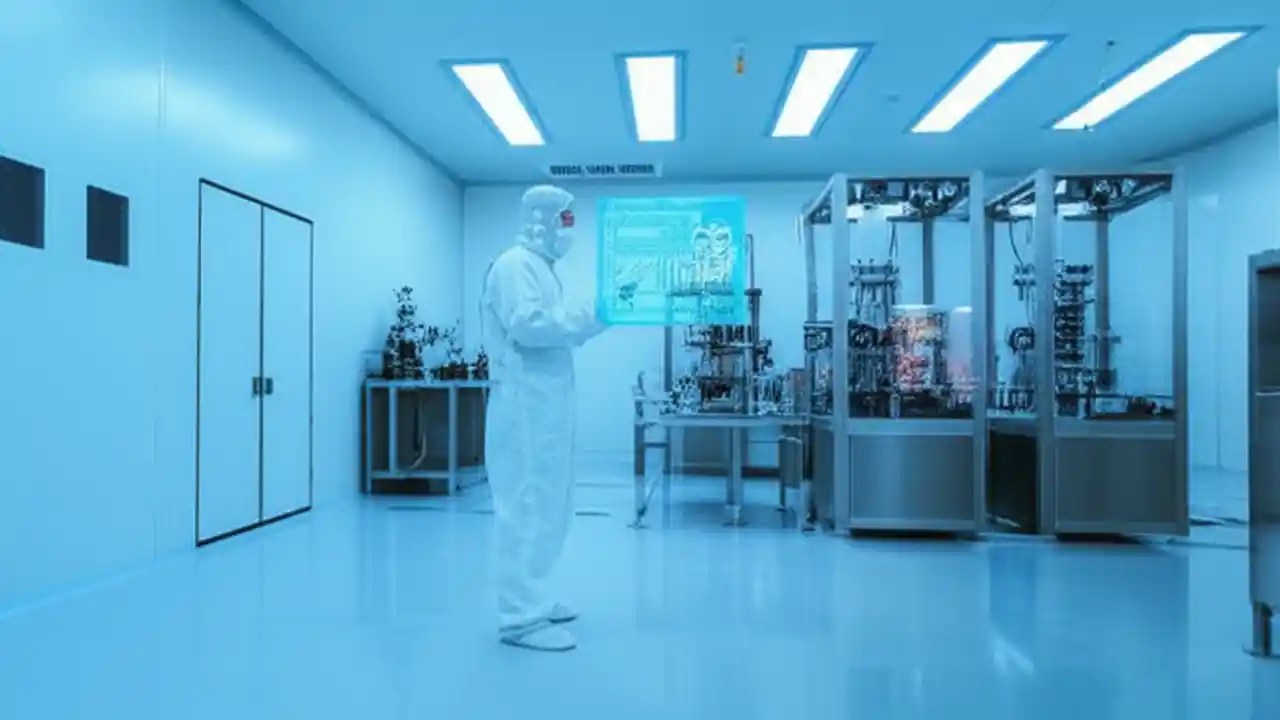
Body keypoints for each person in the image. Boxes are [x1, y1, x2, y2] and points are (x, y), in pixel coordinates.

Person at [480, 185, 605, 651]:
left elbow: (553, 324)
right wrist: (597, 312)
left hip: (545, 408)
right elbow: (529, 327)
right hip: (523, 410)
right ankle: (518, 617)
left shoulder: (543, 270)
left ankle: (537, 593)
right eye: (565, 221)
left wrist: (594, 313)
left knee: (551, 504)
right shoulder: (515, 264)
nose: (569, 231)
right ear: (543, 218)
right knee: (526, 507)